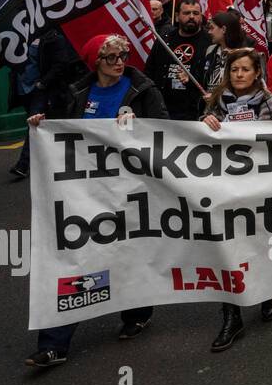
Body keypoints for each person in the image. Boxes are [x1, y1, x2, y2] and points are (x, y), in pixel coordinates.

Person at [22, 35, 168, 367]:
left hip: (131, 192)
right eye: (111, 57)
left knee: (129, 254)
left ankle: (138, 312)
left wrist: (138, 129)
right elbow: (64, 132)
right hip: (84, 195)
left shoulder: (143, 91)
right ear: (95, 62)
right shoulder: (77, 93)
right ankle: (54, 343)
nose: (120, 62)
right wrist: (42, 125)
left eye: (124, 55)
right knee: (74, 258)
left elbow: (166, 133)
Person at [201, 49, 272, 353]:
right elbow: (192, 139)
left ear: (257, 74)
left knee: (260, 245)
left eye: (245, 70)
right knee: (227, 249)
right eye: (235, 70)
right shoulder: (215, 104)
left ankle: (266, 293)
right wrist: (205, 122)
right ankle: (231, 317)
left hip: (260, 189)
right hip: (225, 189)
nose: (239, 75)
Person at [10, 29, 84, 179]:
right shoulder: (19, 37)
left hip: (41, 90)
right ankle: (49, 160)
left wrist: (43, 83)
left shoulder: (53, 37)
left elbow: (60, 64)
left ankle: (23, 165)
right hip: (24, 90)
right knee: (39, 125)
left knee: (34, 125)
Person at [145, 0, 211, 122]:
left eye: (196, 13)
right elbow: (150, 70)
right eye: (186, 13)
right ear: (177, 16)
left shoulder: (210, 42)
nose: (191, 17)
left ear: (201, 17)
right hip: (163, 109)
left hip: (194, 111)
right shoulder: (165, 39)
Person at [201, 10, 249, 93]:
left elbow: (247, 86)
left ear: (223, 29)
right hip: (210, 104)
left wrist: (219, 97)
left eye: (212, 28)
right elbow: (203, 78)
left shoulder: (245, 54)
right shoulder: (210, 50)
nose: (209, 32)